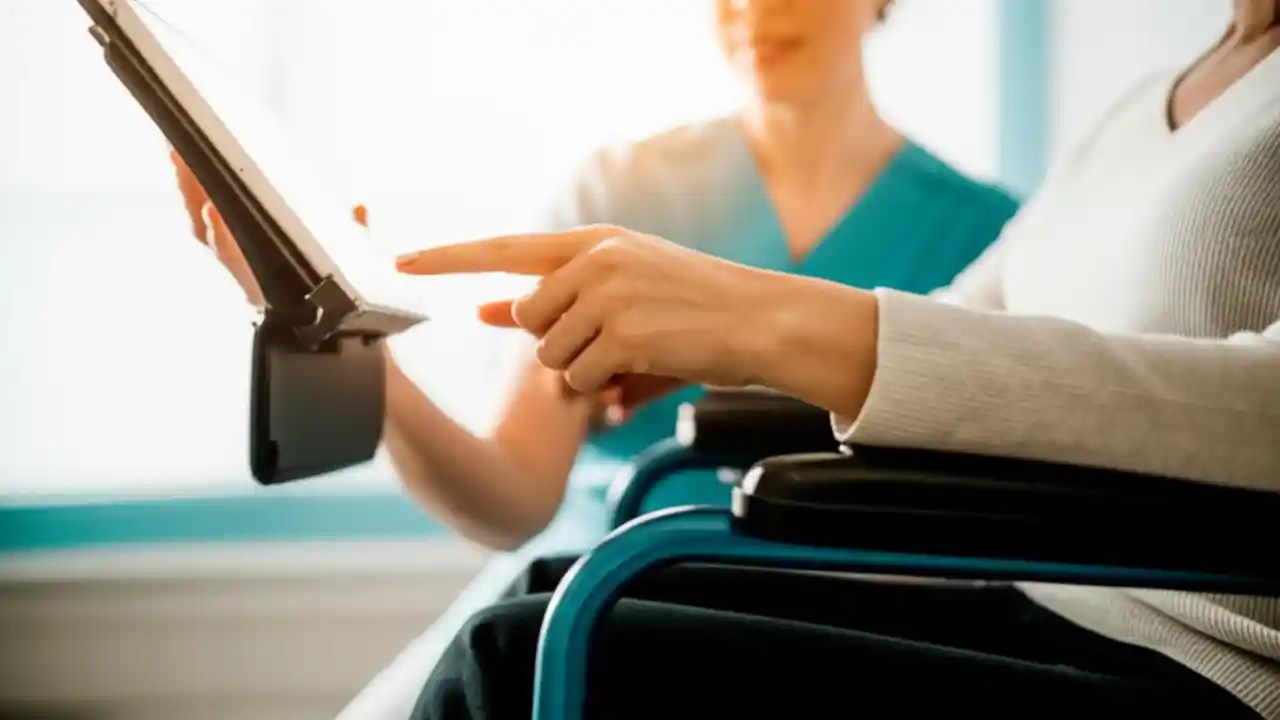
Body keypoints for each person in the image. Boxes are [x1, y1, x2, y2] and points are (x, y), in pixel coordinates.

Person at [396, 1, 1280, 718]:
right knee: (543, 601)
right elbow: (969, 325)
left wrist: (756, 324)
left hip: (1192, 656)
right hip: (1047, 601)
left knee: (513, 657)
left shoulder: (964, 206)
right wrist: (743, 351)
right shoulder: (1136, 114)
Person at [172, 1, 1017, 715]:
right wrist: (349, 337)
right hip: (582, 590)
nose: (755, 10)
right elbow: (509, 500)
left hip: (831, 633)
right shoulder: (621, 194)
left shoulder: (994, 239)